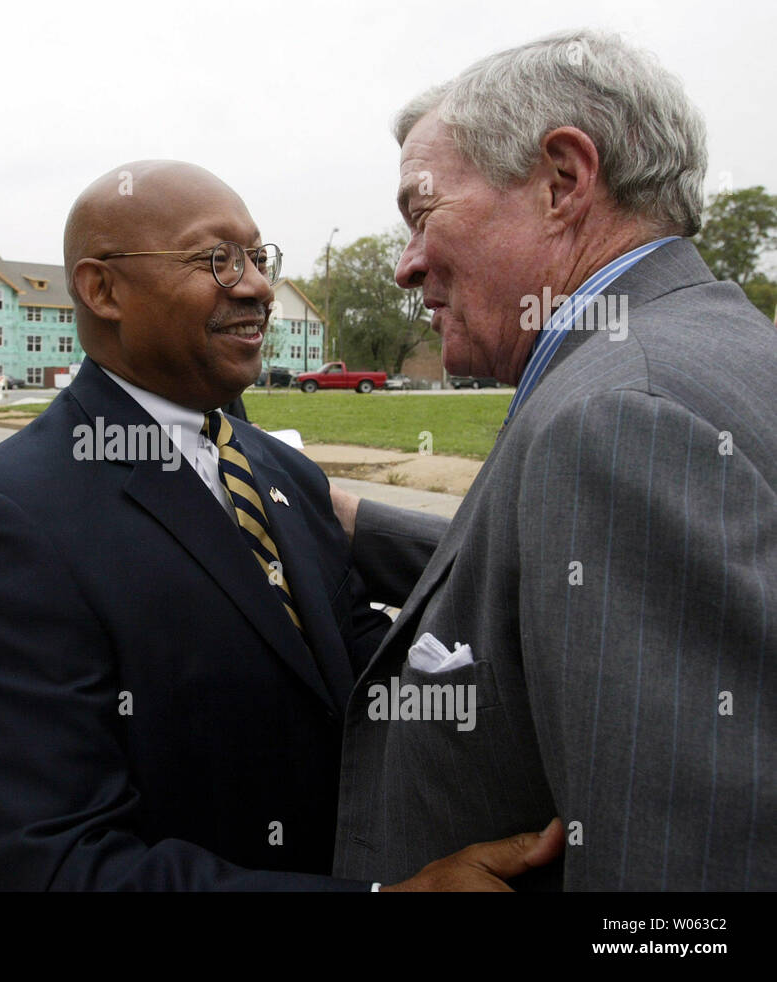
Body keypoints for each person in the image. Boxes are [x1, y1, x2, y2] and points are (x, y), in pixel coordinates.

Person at [0, 159, 563, 890]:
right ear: (103, 290)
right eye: (217, 260)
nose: (257, 286)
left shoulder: (278, 470)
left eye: (258, 258)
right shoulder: (8, 518)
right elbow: (50, 861)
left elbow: (369, 682)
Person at [330, 30, 776, 891]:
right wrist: (361, 527)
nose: (406, 263)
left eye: (421, 213)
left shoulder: (619, 414)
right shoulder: (700, 347)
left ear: (562, 182)